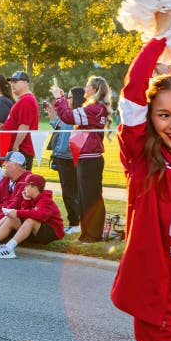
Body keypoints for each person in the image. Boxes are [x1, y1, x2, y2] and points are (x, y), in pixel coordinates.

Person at [111, 31, 171, 341]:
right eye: (164, 114)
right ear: (150, 118)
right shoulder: (141, 158)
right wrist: (159, 36)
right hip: (162, 303)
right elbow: (134, 91)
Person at [51, 77, 111, 243]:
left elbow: (67, 116)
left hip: (90, 158)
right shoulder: (96, 107)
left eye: (87, 86)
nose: (85, 89)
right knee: (86, 197)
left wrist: (58, 98)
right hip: (87, 157)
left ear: (95, 89)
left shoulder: (94, 108)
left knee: (91, 198)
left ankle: (93, 235)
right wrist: (62, 99)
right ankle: (86, 234)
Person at [0, 173, 64, 259]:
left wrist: (17, 212)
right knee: (12, 218)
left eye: (26, 186)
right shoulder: (31, 198)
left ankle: (9, 249)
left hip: (51, 232)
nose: (23, 188)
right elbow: (25, 215)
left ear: (34, 187)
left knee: (30, 220)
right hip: (36, 230)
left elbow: (40, 215)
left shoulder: (45, 199)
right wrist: (25, 201)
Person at [44, 87, 85, 235]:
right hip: (61, 156)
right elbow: (56, 125)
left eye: (69, 97)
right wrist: (50, 111)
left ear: (78, 99)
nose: (67, 100)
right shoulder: (68, 114)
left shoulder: (77, 115)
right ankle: (75, 222)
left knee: (71, 192)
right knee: (67, 191)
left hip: (70, 157)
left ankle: (75, 223)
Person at [3, 71, 39, 169]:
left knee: (21, 180)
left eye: (15, 82)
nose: (12, 85)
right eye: (12, 82)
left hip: (22, 149)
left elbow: (24, 126)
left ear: (25, 83)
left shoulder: (26, 100)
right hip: (20, 148)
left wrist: (16, 145)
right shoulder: (23, 99)